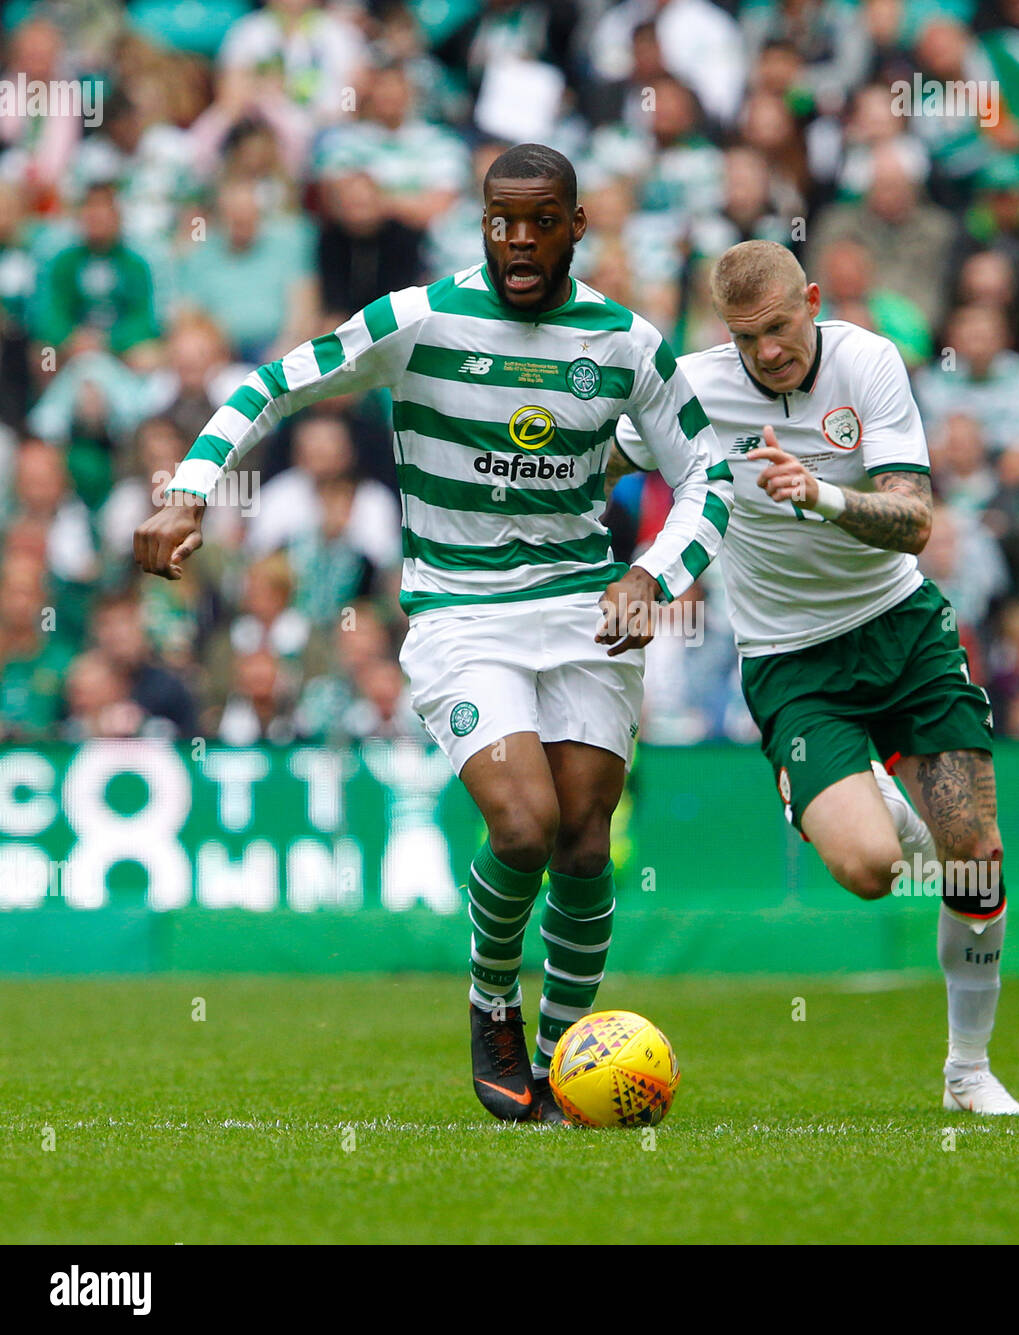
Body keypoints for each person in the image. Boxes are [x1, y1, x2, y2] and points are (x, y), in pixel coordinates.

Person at [134, 143, 733, 1125]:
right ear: (482, 225)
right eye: (503, 221)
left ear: (577, 227)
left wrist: (651, 575)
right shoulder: (420, 321)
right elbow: (273, 382)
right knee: (524, 824)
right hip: (462, 614)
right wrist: (191, 489)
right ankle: (491, 999)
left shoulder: (627, 343)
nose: (521, 240)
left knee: (584, 844)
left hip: (587, 609)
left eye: (543, 221)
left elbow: (711, 475)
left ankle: (564, 1063)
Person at [611, 240, 1019, 1114]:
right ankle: (863, 795)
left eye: (779, 326)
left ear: (811, 299)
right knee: (874, 868)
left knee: (977, 859)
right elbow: (597, 454)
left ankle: (967, 1072)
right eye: (746, 336)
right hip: (792, 658)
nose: (767, 350)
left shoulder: (868, 361)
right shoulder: (691, 388)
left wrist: (821, 495)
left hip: (904, 630)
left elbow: (915, 519)